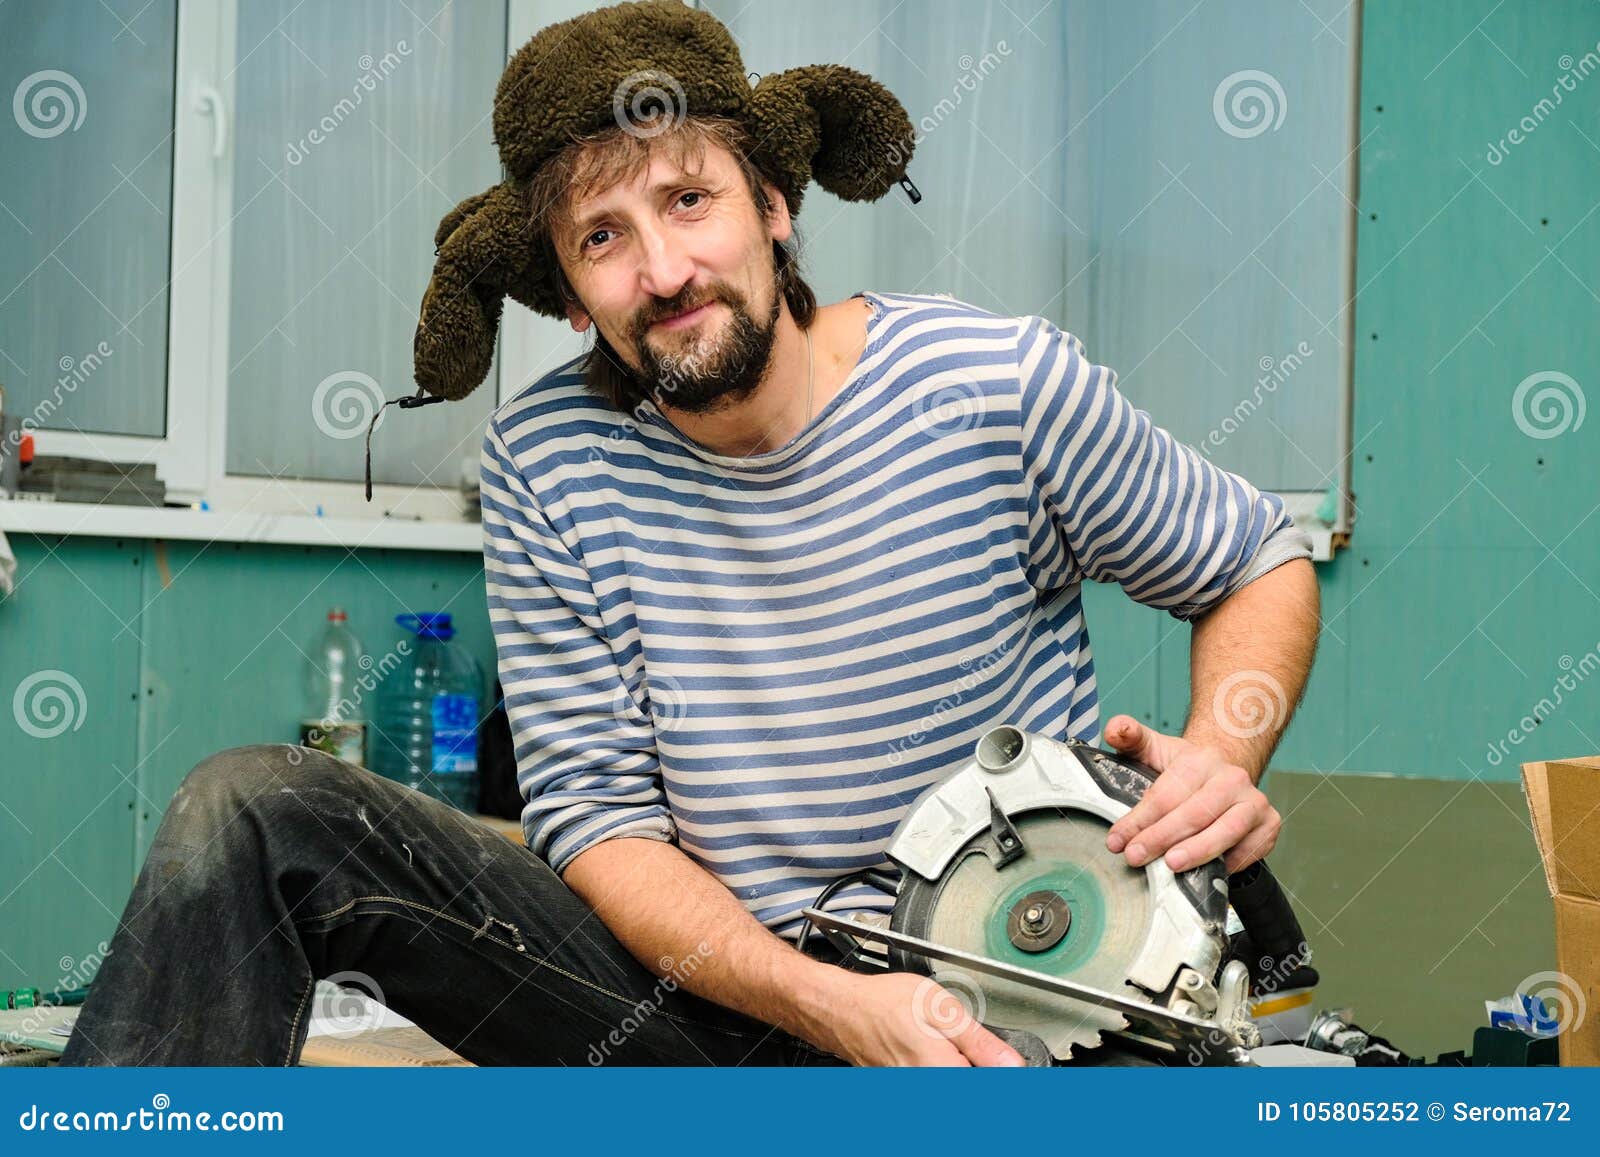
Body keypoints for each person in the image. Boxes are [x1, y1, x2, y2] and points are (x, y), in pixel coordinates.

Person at [61, 0, 1318, 1068]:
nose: (662, 269)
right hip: (710, 1005)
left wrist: (1220, 756)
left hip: (1007, 1004)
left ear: (773, 203)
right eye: (603, 238)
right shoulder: (547, 463)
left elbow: (1254, 557)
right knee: (257, 810)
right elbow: (602, 827)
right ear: (566, 295)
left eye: (690, 200)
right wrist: (834, 1005)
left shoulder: (987, 383)